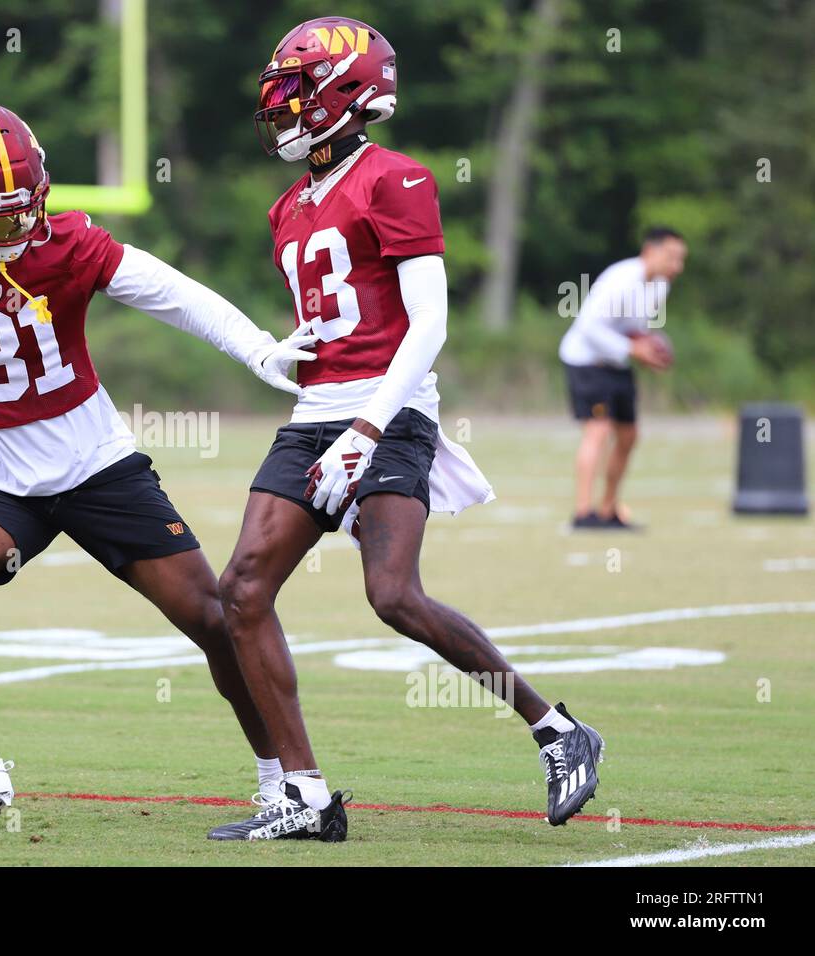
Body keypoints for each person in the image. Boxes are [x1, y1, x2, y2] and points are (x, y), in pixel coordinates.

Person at [0, 102, 317, 814]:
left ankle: (278, 780)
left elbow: (172, 294)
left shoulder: (63, 242)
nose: (20, 229)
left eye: (27, 209)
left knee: (215, 619)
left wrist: (256, 345)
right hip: (1, 481)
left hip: (98, 464)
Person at [207, 18, 604, 841]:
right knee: (241, 592)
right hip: (313, 415)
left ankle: (557, 730)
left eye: (293, 92)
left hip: (386, 415)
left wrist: (365, 427)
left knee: (393, 596)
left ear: (344, 94)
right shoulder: (289, 204)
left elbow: (428, 324)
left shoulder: (396, 180)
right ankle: (307, 800)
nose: (278, 109)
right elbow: (334, 314)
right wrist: (288, 352)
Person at [560, 227, 686, 529]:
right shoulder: (622, 280)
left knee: (628, 435)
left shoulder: (659, 287)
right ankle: (583, 513)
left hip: (616, 362)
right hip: (587, 360)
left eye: (681, 259)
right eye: (671, 257)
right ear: (650, 251)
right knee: (598, 430)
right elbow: (589, 327)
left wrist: (650, 347)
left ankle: (608, 510)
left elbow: (631, 328)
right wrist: (634, 349)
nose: (677, 266)